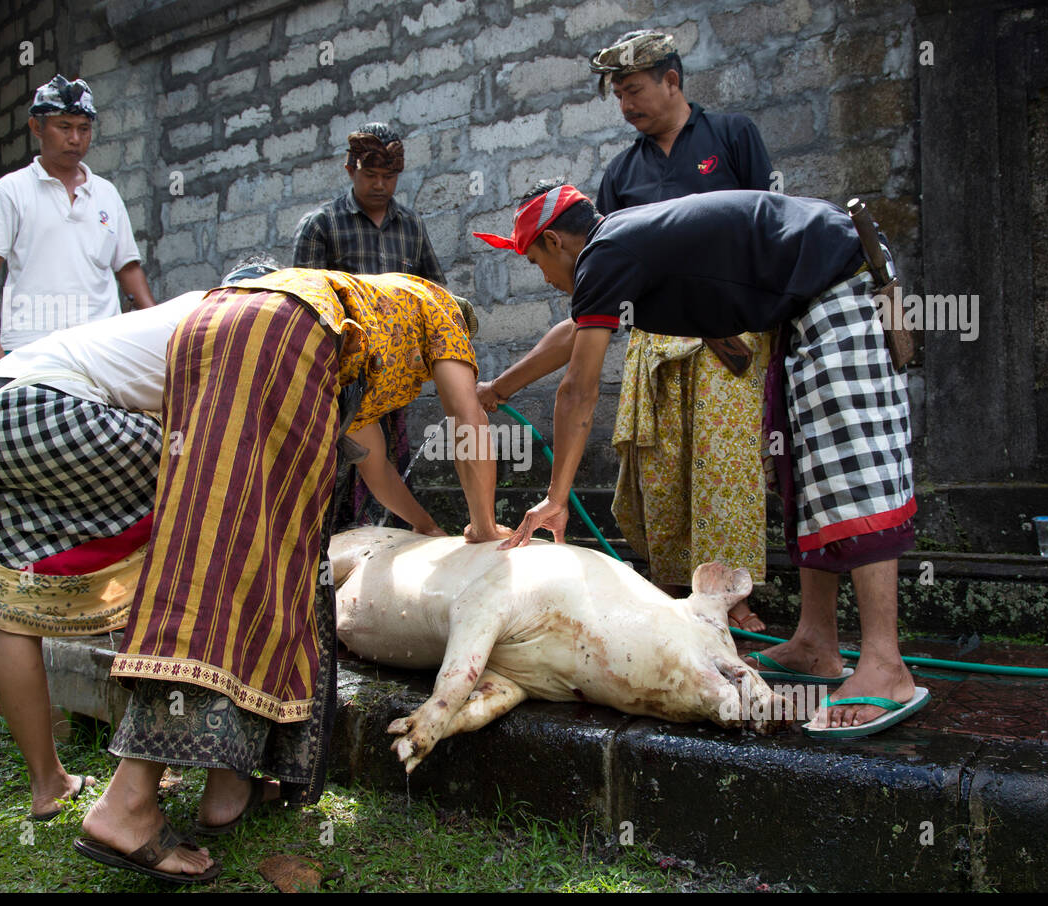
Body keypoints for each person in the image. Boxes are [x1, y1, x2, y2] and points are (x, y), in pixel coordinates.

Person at [76, 266, 506, 883]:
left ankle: (227, 791)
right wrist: (485, 527)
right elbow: (467, 415)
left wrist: (424, 525)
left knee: (243, 550)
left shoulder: (371, 319)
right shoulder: (441, 310)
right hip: (282, 335)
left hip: (211, 324)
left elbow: (373, 464)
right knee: (228, 561)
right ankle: (128, 800)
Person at [474, 182, 925, 739]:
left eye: (536, 259)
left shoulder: (605, 251)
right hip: (807, 301)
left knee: (850, 468)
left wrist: (557, 498)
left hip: (837, 281)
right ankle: (816, 644)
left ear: (554, 241)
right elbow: (572, 334)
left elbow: (578, 390)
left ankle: (886, 666)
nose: (542, 276)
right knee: (807, 476)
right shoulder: (628, 248)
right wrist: (497, 389)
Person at [478, 31, 774, 631]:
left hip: (730, 336)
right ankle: (671, 598)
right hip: (654, 339)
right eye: (617, 95)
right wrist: (499, 388)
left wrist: (752, 322)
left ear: (672, 80)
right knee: (656, 471)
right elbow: (593, 310)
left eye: (634, 90)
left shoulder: (732, 136)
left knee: (721, 467)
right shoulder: (621, 174)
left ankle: (729, 602)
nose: (625, 105)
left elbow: (764, 228)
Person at [0, 290, 208, 822]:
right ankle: (143, 771)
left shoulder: (176, 311)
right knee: (201, 481)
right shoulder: (231, 323)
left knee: (13, 609)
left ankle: (48, 786)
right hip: (55, 408)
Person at [293, 122, 447, 532]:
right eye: (370, 175)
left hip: (396, 376)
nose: (380, 185)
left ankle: (395, 546)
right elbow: (305, 310)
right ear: (349, 170)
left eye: (389, 177)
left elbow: (435, 295)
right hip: (341, 379)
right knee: (340, 471)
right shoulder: (322, 226)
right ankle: (337, 559)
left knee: (392, 464)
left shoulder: (412, 228)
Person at [0, 74, 154, 374]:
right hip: (31, 348)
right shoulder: (12, 190)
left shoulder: (107, 193)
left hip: (103, 348)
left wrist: (159, 331)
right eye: (64, 127)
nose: (75, 139)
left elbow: (129, 270)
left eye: (84, 129)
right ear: (37, 127)